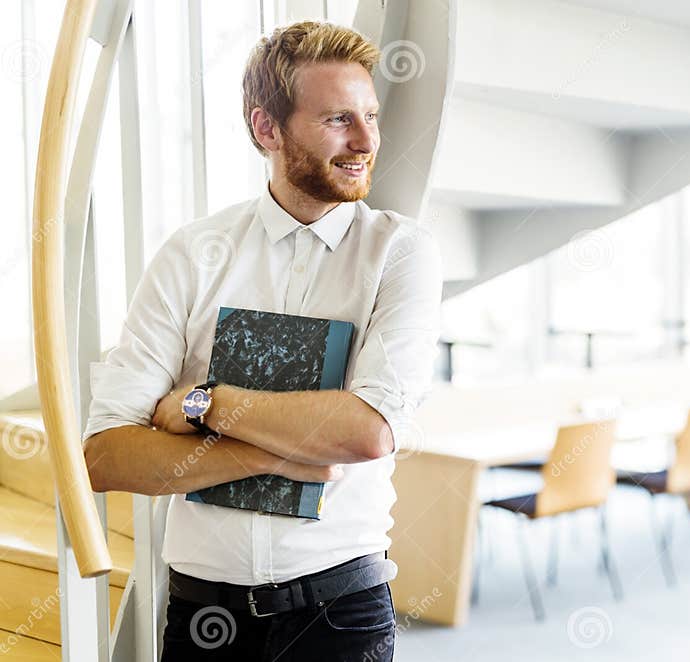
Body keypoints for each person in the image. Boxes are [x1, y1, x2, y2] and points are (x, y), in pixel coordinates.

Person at [82, 20, 441, 662]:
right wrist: (281, 455)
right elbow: (108, 456)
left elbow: (366, 432)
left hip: (339, 615)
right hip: (203, 617)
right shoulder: (193, 255)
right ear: (266, 129)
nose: (365, 141)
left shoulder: (401, 253)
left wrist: (204, 405)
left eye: (371, 116)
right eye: (337, 120)